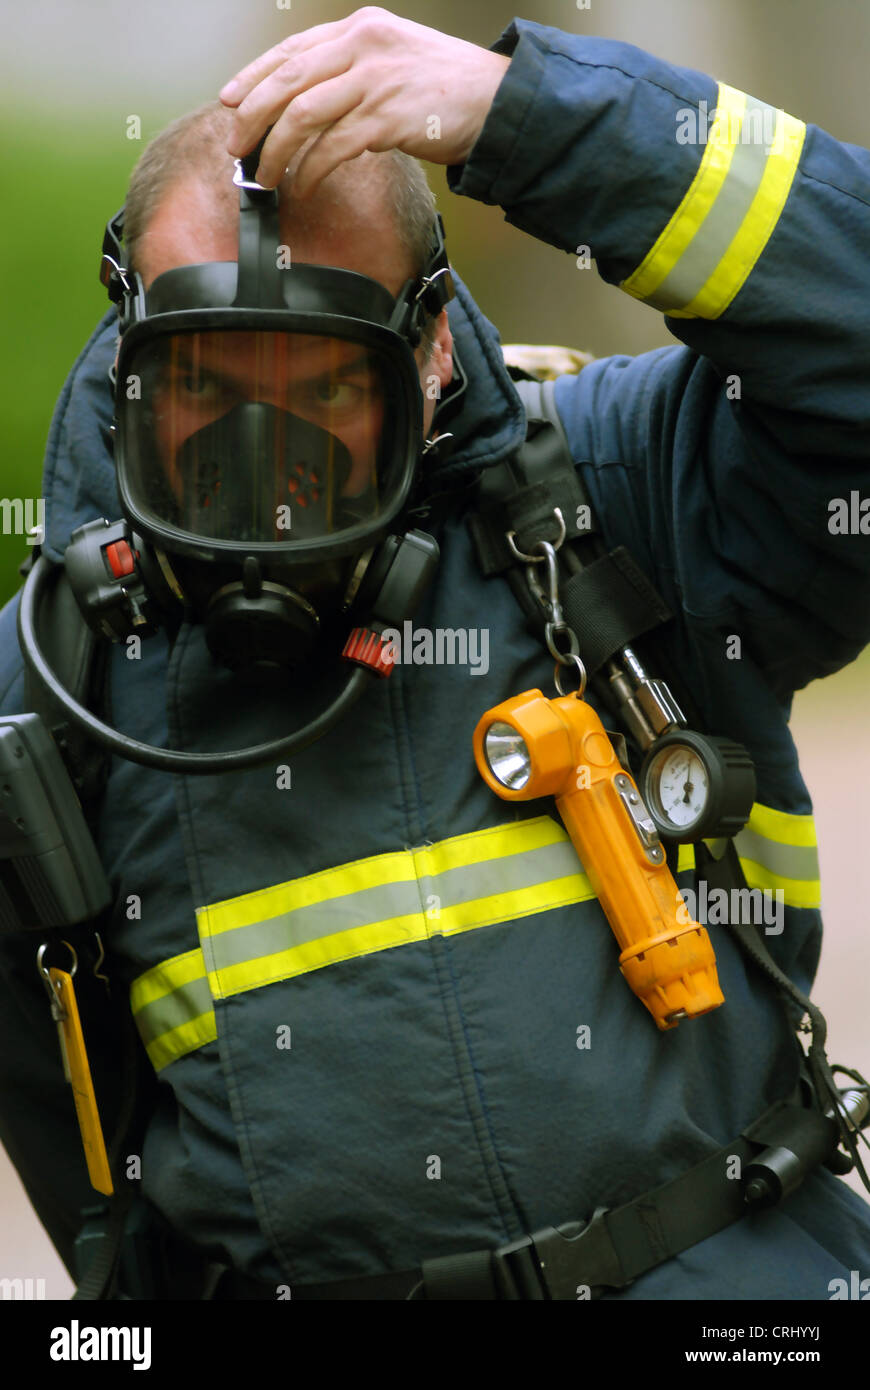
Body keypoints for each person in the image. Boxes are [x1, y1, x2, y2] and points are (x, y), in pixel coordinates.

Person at [1, 7, 869, 1301]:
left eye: (325, 391)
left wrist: (528, 118)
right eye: (206, 384)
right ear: (130, 362)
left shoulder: (625, 498)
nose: (264, 474)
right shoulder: (51, 694)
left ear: (434, 356)